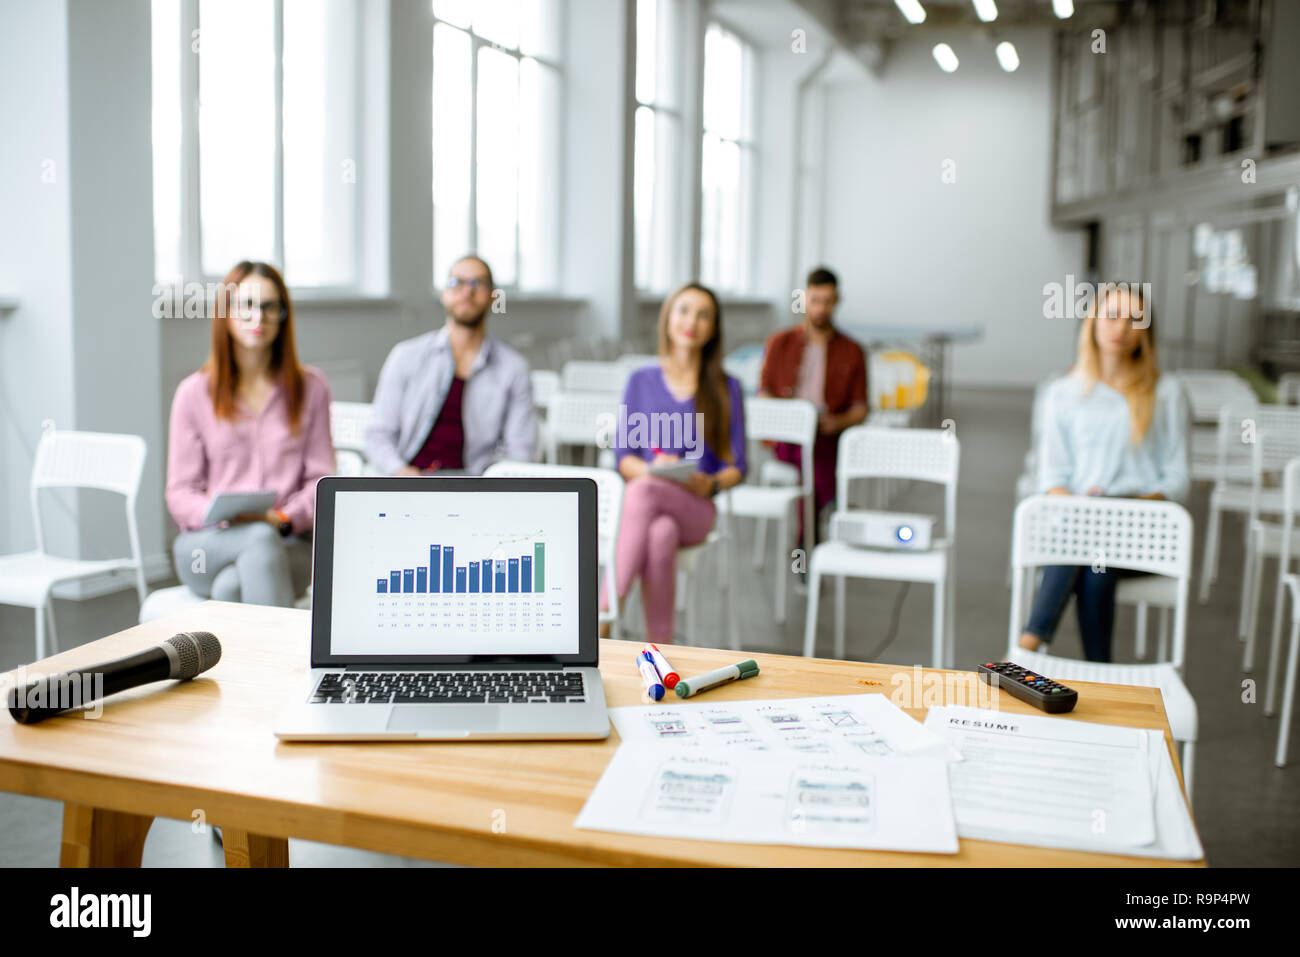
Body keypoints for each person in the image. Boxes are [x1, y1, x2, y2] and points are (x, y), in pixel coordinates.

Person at [1018, 285, 1190, 662]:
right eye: (1112, 315)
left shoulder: (1167, 393)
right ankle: (1100, 670)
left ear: (1146, 331)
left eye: (1134, 319)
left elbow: (1177, 477)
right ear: (1093, 323)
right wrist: (1090, 511)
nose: (1122, 327)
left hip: (1141, 529)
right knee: (1096, 557)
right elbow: (1053, 478)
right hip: (1079, 526)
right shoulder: (1062, 392)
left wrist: (1123, 508)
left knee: (1094, 541)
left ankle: (1027, 646)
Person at [166, 261, 334, 607]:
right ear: (226, 312)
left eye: (270, 306)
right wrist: (221, 515)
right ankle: (288, 662)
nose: (259, 317)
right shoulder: (193, 393)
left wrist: (285, 518)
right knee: (256, 538)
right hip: (206, 546)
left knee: (232, 587)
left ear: (283, 315)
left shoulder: (311, 389)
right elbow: (180, 492)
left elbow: (323, 480)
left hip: (290, 543)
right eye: (246, 305)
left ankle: (252, 661)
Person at [605, 282, 747, 644]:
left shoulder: (726, 388)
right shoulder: (640, 380)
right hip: (653, 500)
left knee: (643, 493)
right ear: (668, 318)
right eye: (684, 310)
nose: (692, 322)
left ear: (713, 328)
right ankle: (661, 648)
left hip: (697, 505)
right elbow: (625, 459)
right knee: (660, 531)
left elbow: (738, 466)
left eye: (703, 315)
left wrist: (709, 484)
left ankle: (601, 620)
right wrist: (656, 471)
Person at [366, 254, 536, 475]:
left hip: (474, 486)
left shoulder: (513, 368)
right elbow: (378, 436)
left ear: (494, 297)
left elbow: (520, 452)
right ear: (444, 294)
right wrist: (400, 471)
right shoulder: (405, 356)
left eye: (479, 283)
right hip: (408, 479)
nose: (468, 291)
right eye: (457, 282)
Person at [759, 266, 868, 541]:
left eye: (827, 301)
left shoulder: (852, 351)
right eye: (815, 300)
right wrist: (789, 418)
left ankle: (806, 540)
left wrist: (838, 422)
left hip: (827, 435)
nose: (820, 308)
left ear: (837, 301)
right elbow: (763, 395)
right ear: (805, 298)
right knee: (810, 454)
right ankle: (828, 507)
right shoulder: (779, 344)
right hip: (787, 438)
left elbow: (860, 408)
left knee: (814, 452)